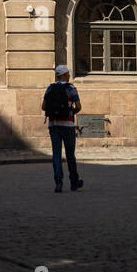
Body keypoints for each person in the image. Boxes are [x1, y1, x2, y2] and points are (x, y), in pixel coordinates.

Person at [42, 63, 84, 193]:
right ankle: (74, 182)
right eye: (68, 74)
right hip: (68, 126)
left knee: (56, 155)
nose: (70, 75)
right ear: (65, 75)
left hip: (53, 125)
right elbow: (78, 106)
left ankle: (58, 183)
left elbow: (44, 106)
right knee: (70, 155)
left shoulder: (49, 88)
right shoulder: (71, 88)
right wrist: (70, 113)